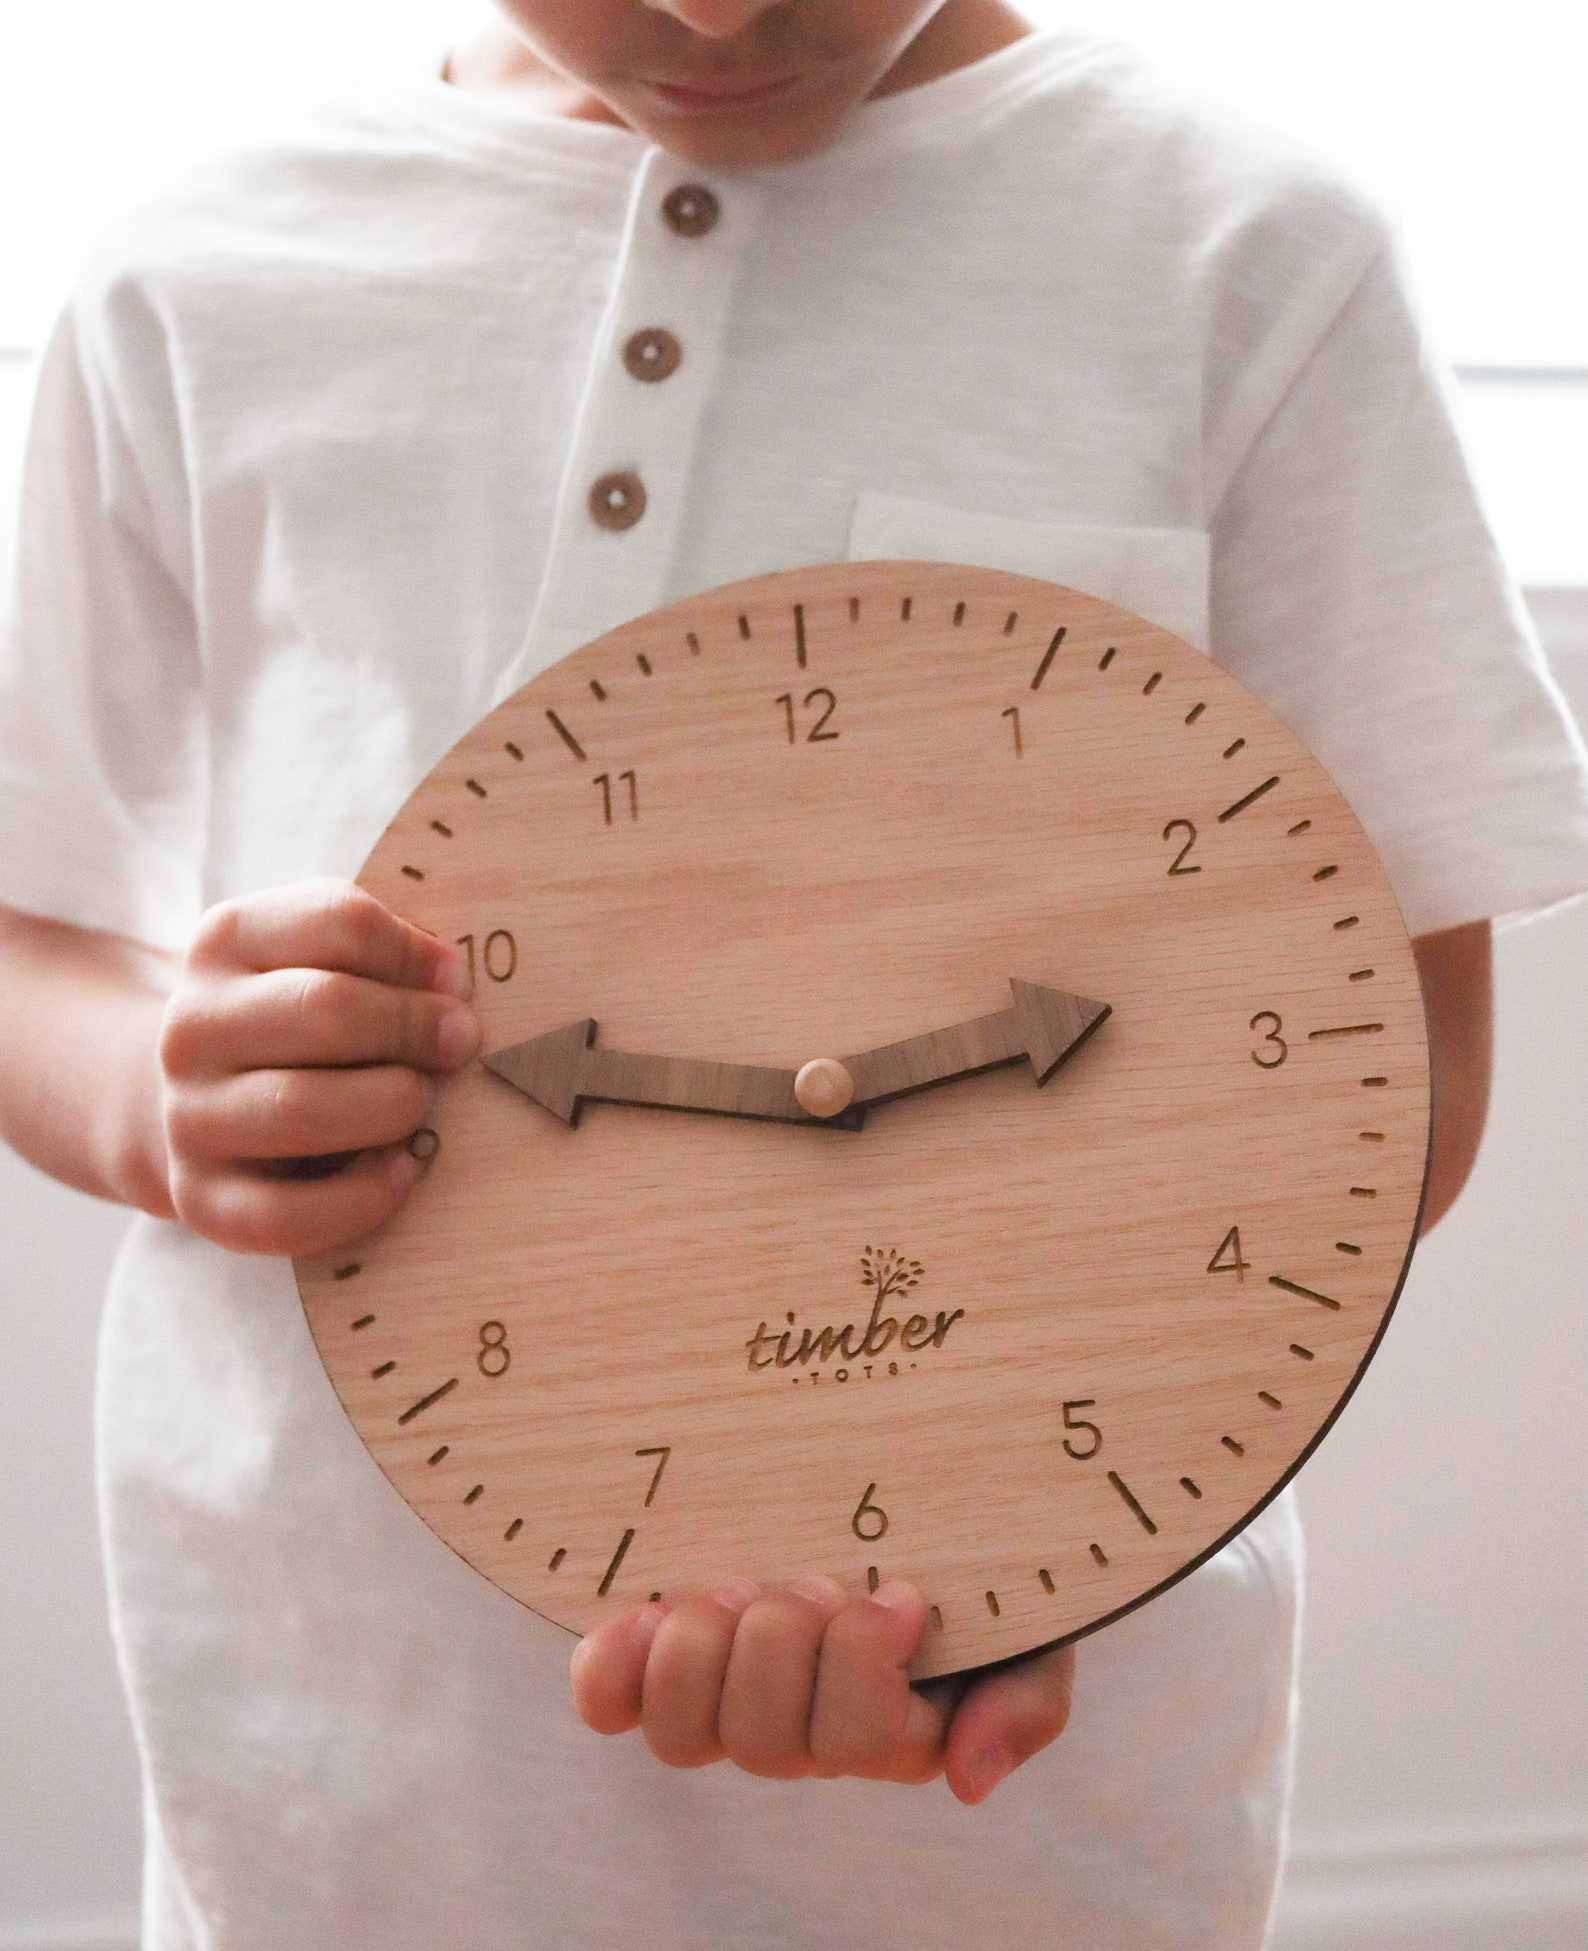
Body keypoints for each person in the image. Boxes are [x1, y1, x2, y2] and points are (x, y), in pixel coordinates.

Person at [1, 2, 1585, 1946]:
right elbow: (30, 934)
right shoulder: (198, 269)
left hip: (1005, 1807)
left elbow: (1387, 1072)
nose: (716, 9)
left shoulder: (1243, 253)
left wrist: (1015, 1553)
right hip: (342, 1750)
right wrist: (159, 1100)